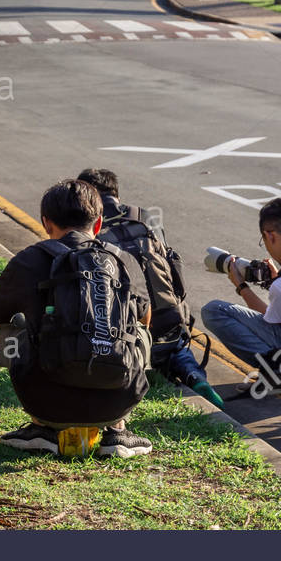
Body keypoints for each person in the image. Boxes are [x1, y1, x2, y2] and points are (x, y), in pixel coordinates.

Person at [0, 179, 154, 458]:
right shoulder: (124, 260)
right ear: (98, 224)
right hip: (117, 398)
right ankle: (118, 430)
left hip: (46, 402)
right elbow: (146, 320)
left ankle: (42, 428)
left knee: (12, 326)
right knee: (139, 332)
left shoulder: (30, 260)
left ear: (46, 224)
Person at [77, 168, 222, 407]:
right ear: (116, 194)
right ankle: (193, 375)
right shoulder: (146, 217)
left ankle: (149, 366)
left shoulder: (90, 228)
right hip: (171, 324)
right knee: (177, 351)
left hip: (129, 334)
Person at [200, 198, 281, 394]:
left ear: (270, 236)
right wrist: (277, 281)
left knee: (214, 311)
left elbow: (271, 319)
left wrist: (241, 286)